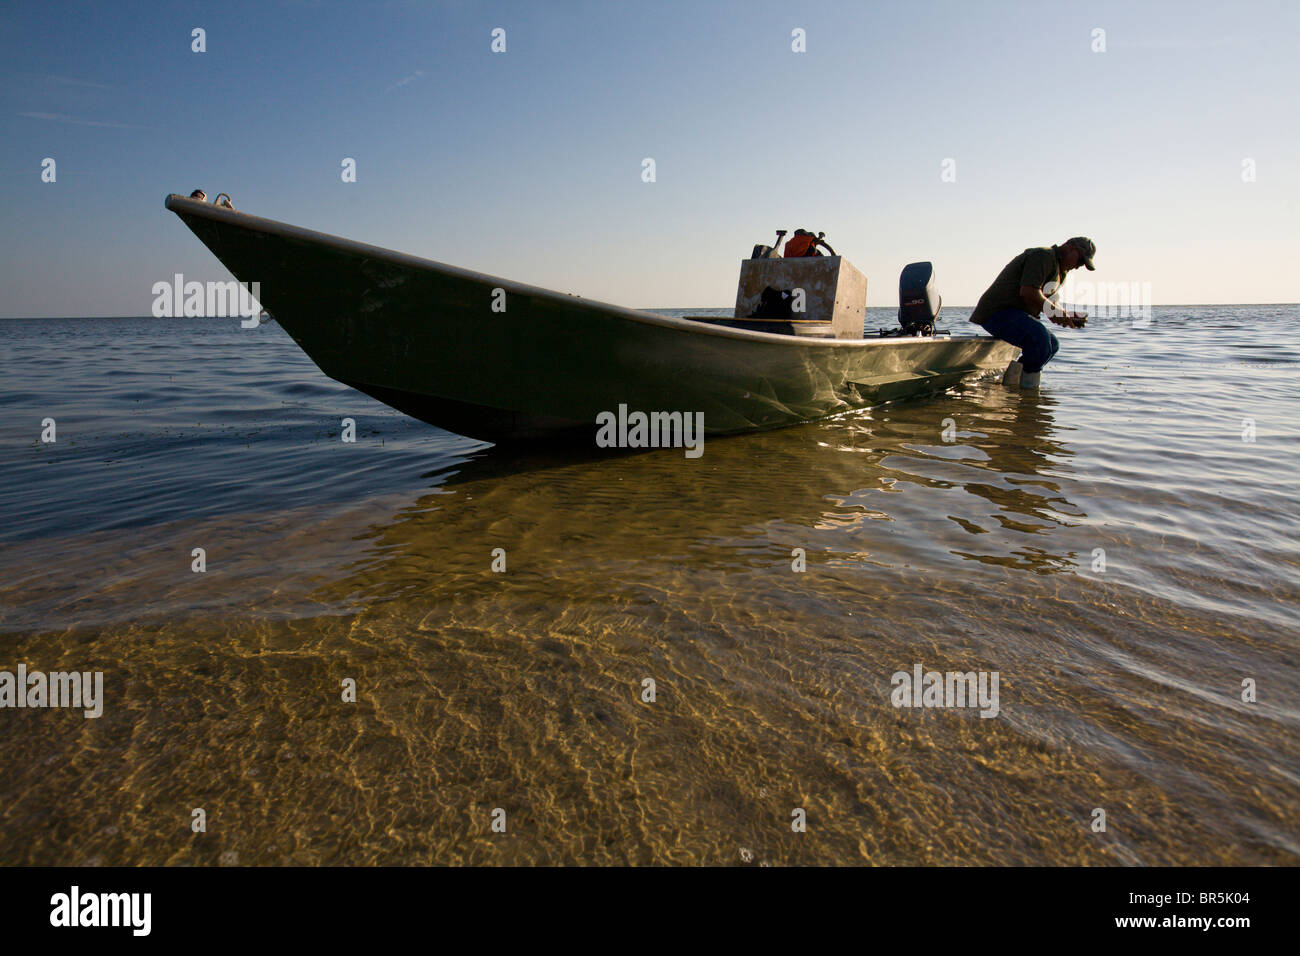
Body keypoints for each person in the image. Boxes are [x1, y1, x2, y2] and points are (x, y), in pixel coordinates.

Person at [969, 237, 1095, 388]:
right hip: (997, 312)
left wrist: (1066, 315)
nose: (1078, 266)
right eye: (1080, 261)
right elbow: (1028, 292)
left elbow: (1049, 304)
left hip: (1017, 315)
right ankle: (1027, 395)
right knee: (1040, 340)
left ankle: (1012, 386)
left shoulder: (1061, 271)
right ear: (1069, 247)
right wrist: (1057, 313)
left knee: (1052, 345)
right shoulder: (1043, 256)